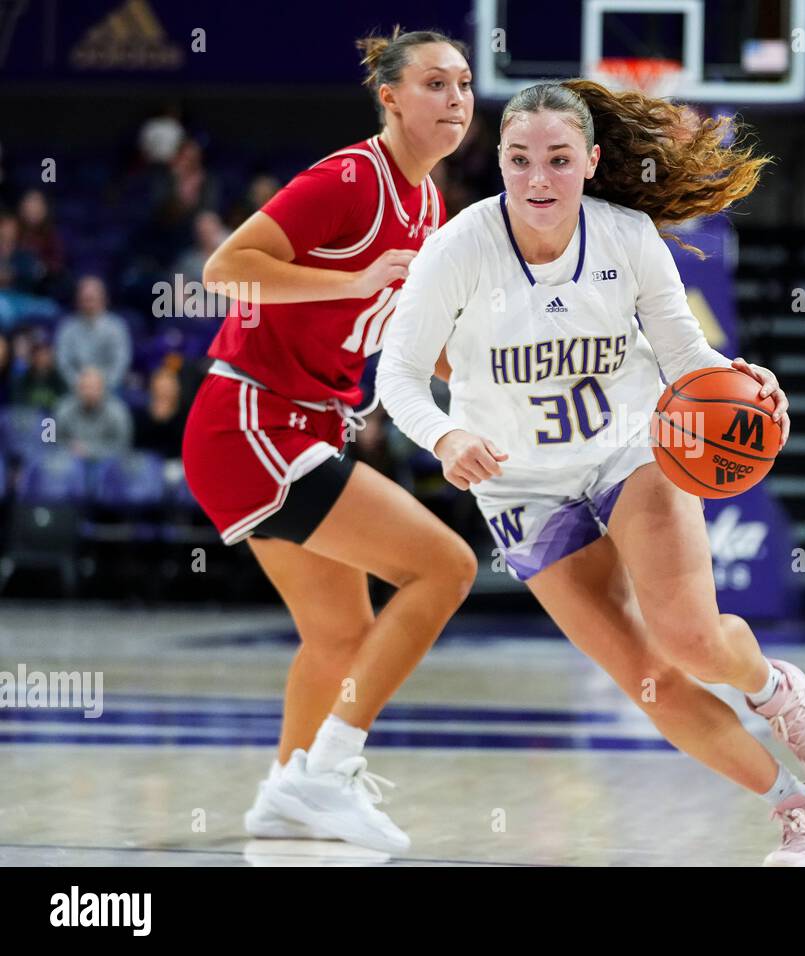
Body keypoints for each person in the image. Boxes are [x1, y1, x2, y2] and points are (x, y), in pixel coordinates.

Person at [377, 79, 805, 867]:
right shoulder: (458, 249)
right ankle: (800, 811)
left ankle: (777, 693)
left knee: (689, 641)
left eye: (559, 161)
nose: (538, 180)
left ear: (592, 160)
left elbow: (683, 357)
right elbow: (396, 376)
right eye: (520, 159)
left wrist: (737, 376)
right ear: (496, 159)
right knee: (648, 682)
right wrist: (445, 435)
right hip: (522, 487)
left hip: (630, 449)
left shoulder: (627, 236)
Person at [181, 27, 477, 855]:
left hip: (298, 424)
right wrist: (351, 277)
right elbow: (224, 270)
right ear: (390, 97)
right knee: (445, 567)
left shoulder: (429, 205)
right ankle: (330, 767)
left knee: (341, 635)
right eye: (433, 85)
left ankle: (288, 792)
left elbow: (423, 336)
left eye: (462, 85)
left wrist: (505, 388)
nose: (455, 100)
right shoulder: (350, 178)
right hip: (252, 420)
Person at [54, 276, 132, 391]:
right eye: (85, 299)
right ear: (78, 300)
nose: (88, 303)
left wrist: (100, 387)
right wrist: (81, 385)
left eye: (92, 298)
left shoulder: (116, 327)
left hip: (109, 390)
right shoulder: (67, 328)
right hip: (75, 390)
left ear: (104, 299)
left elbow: (120, 363)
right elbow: (63, 363)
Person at [54, 367, 133, 460]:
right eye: (85, 387)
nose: (89, 392)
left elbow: (123, 446)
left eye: (94, 387)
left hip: (106, 462)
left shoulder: (118, 412)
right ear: (77, 389)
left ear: (103, 389)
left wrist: (90, 451)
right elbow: (54, 440)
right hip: (70, 459)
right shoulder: (64, 408)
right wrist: (70, 449)